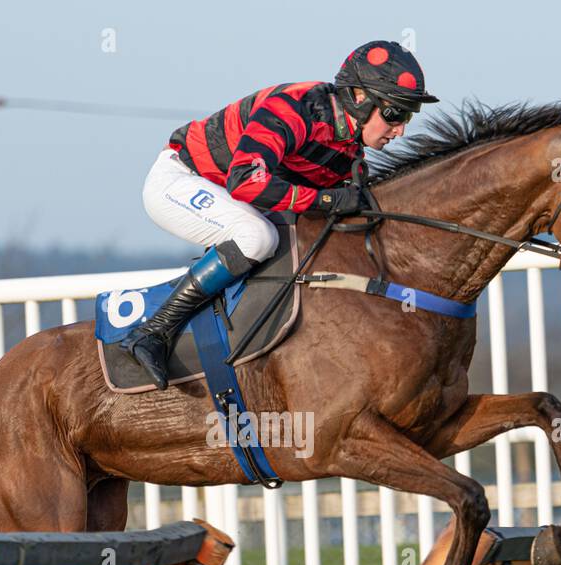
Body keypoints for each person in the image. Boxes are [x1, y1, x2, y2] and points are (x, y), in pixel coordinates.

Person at [120, 40, 440, 389]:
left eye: (408, 116)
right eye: (395, 114)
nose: (401, 129)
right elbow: (245, 181)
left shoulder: (349, 147)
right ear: (360, 99)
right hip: (182, 180)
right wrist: (329, 201)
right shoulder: (293, 108)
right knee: (256, 237)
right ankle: (153, 332)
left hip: (236, 198)